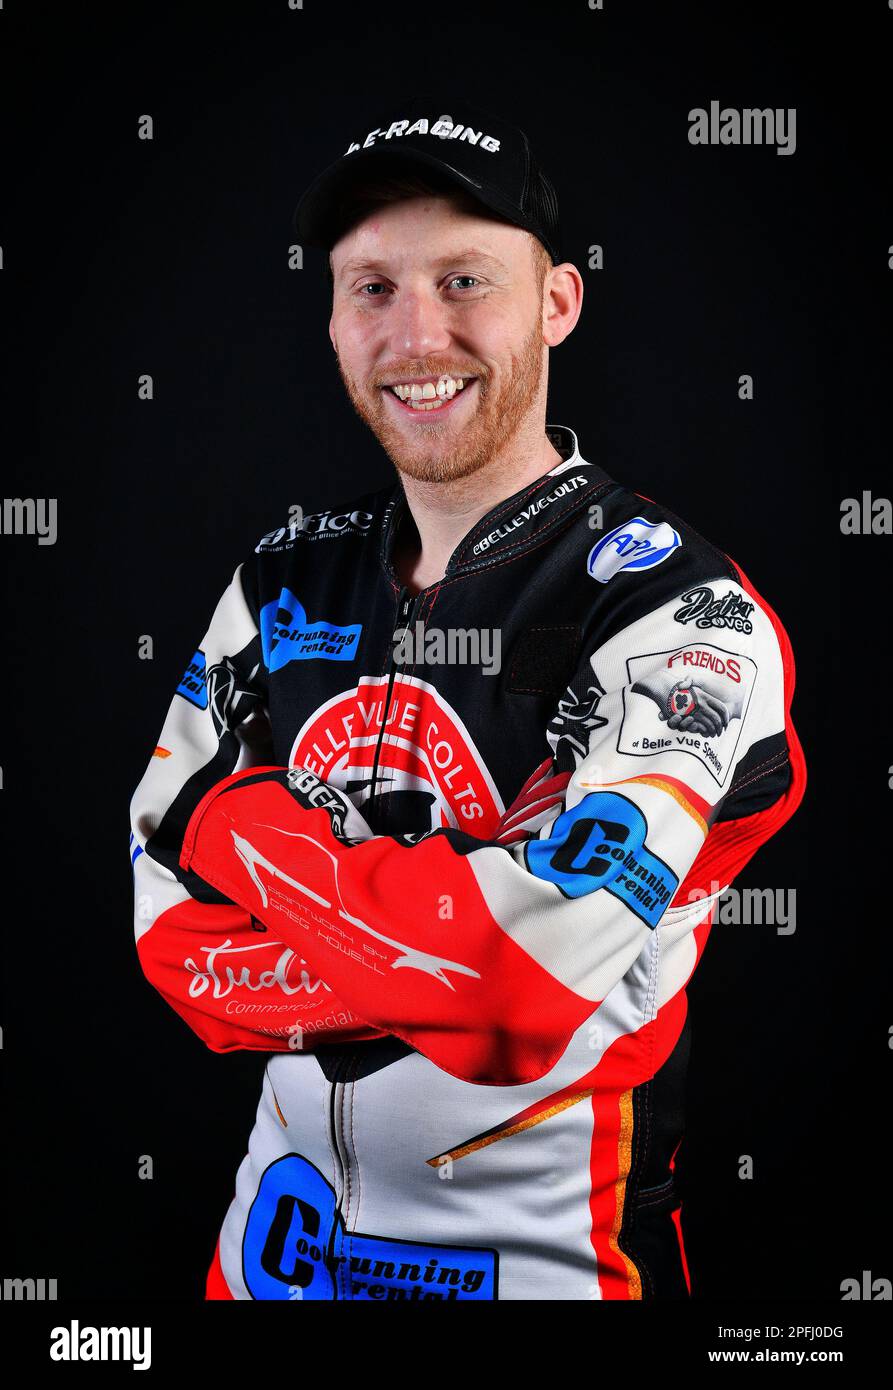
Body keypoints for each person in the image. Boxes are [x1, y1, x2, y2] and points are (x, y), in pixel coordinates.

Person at [129, 97, 806, 1301]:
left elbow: (507, 984)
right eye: (372, 288)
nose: (414, 335)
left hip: (551, 1274)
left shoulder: (677, 612)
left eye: (463, 280)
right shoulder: (283, 577)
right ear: (332, 320)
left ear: (556, 304)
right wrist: (425, 936)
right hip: (263, 1266)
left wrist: (240, 825)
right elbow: (159, 905)